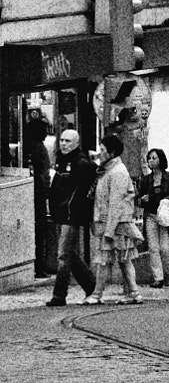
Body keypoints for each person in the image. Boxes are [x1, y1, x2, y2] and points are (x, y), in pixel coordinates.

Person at [85, 134, 143, 305]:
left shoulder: (117, 172)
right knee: (123, 260)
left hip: (116, 225)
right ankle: (133, 292)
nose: (99, 153)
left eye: (102, 150)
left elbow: (116, 203)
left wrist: (109, 231)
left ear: (111, 152)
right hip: (114, 223)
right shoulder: (109, 170)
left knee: (106, 260)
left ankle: (97, 294)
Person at [46, 129, 96, 306]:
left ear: (76, 143)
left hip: (71, 215)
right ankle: (91, 286)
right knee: (69, 253)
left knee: (63, 256)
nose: (64, 144)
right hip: (61, 213)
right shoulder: (61, 160)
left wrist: (79, 212)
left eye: (68, 141)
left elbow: (83, 192)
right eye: (62, 140)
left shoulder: (81, 163)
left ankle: (59, 295)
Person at [138, 148, 169, 288]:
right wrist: (143, 199)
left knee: (165, 247)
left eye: (154, 158)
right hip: (151, 216)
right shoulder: (145, 180)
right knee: (153, 247)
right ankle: (158, 278)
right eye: (149, 158)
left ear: (161, 160)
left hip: (165, 216)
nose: (151, 161)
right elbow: (138, 199)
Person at [26, 118, 52, 279]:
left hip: (34, 192)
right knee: (40, 229)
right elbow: (44, 173)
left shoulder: (29, 146)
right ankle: (40, 266)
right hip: (39, 193)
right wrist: (47, 190)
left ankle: (40, 265)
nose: (46, 134)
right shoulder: (39, 148)